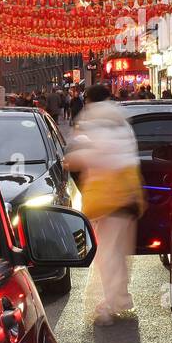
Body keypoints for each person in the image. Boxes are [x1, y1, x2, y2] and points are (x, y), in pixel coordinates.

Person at [64, 85, 145, 325]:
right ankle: (121, 300)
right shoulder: (122, 122)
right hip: (130, 194)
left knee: (106, 254)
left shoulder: (91, 121)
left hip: (107, 196)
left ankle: (107, 307)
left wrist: (69, 161)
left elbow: (90, 155)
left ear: (88, 100)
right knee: (118, 252)